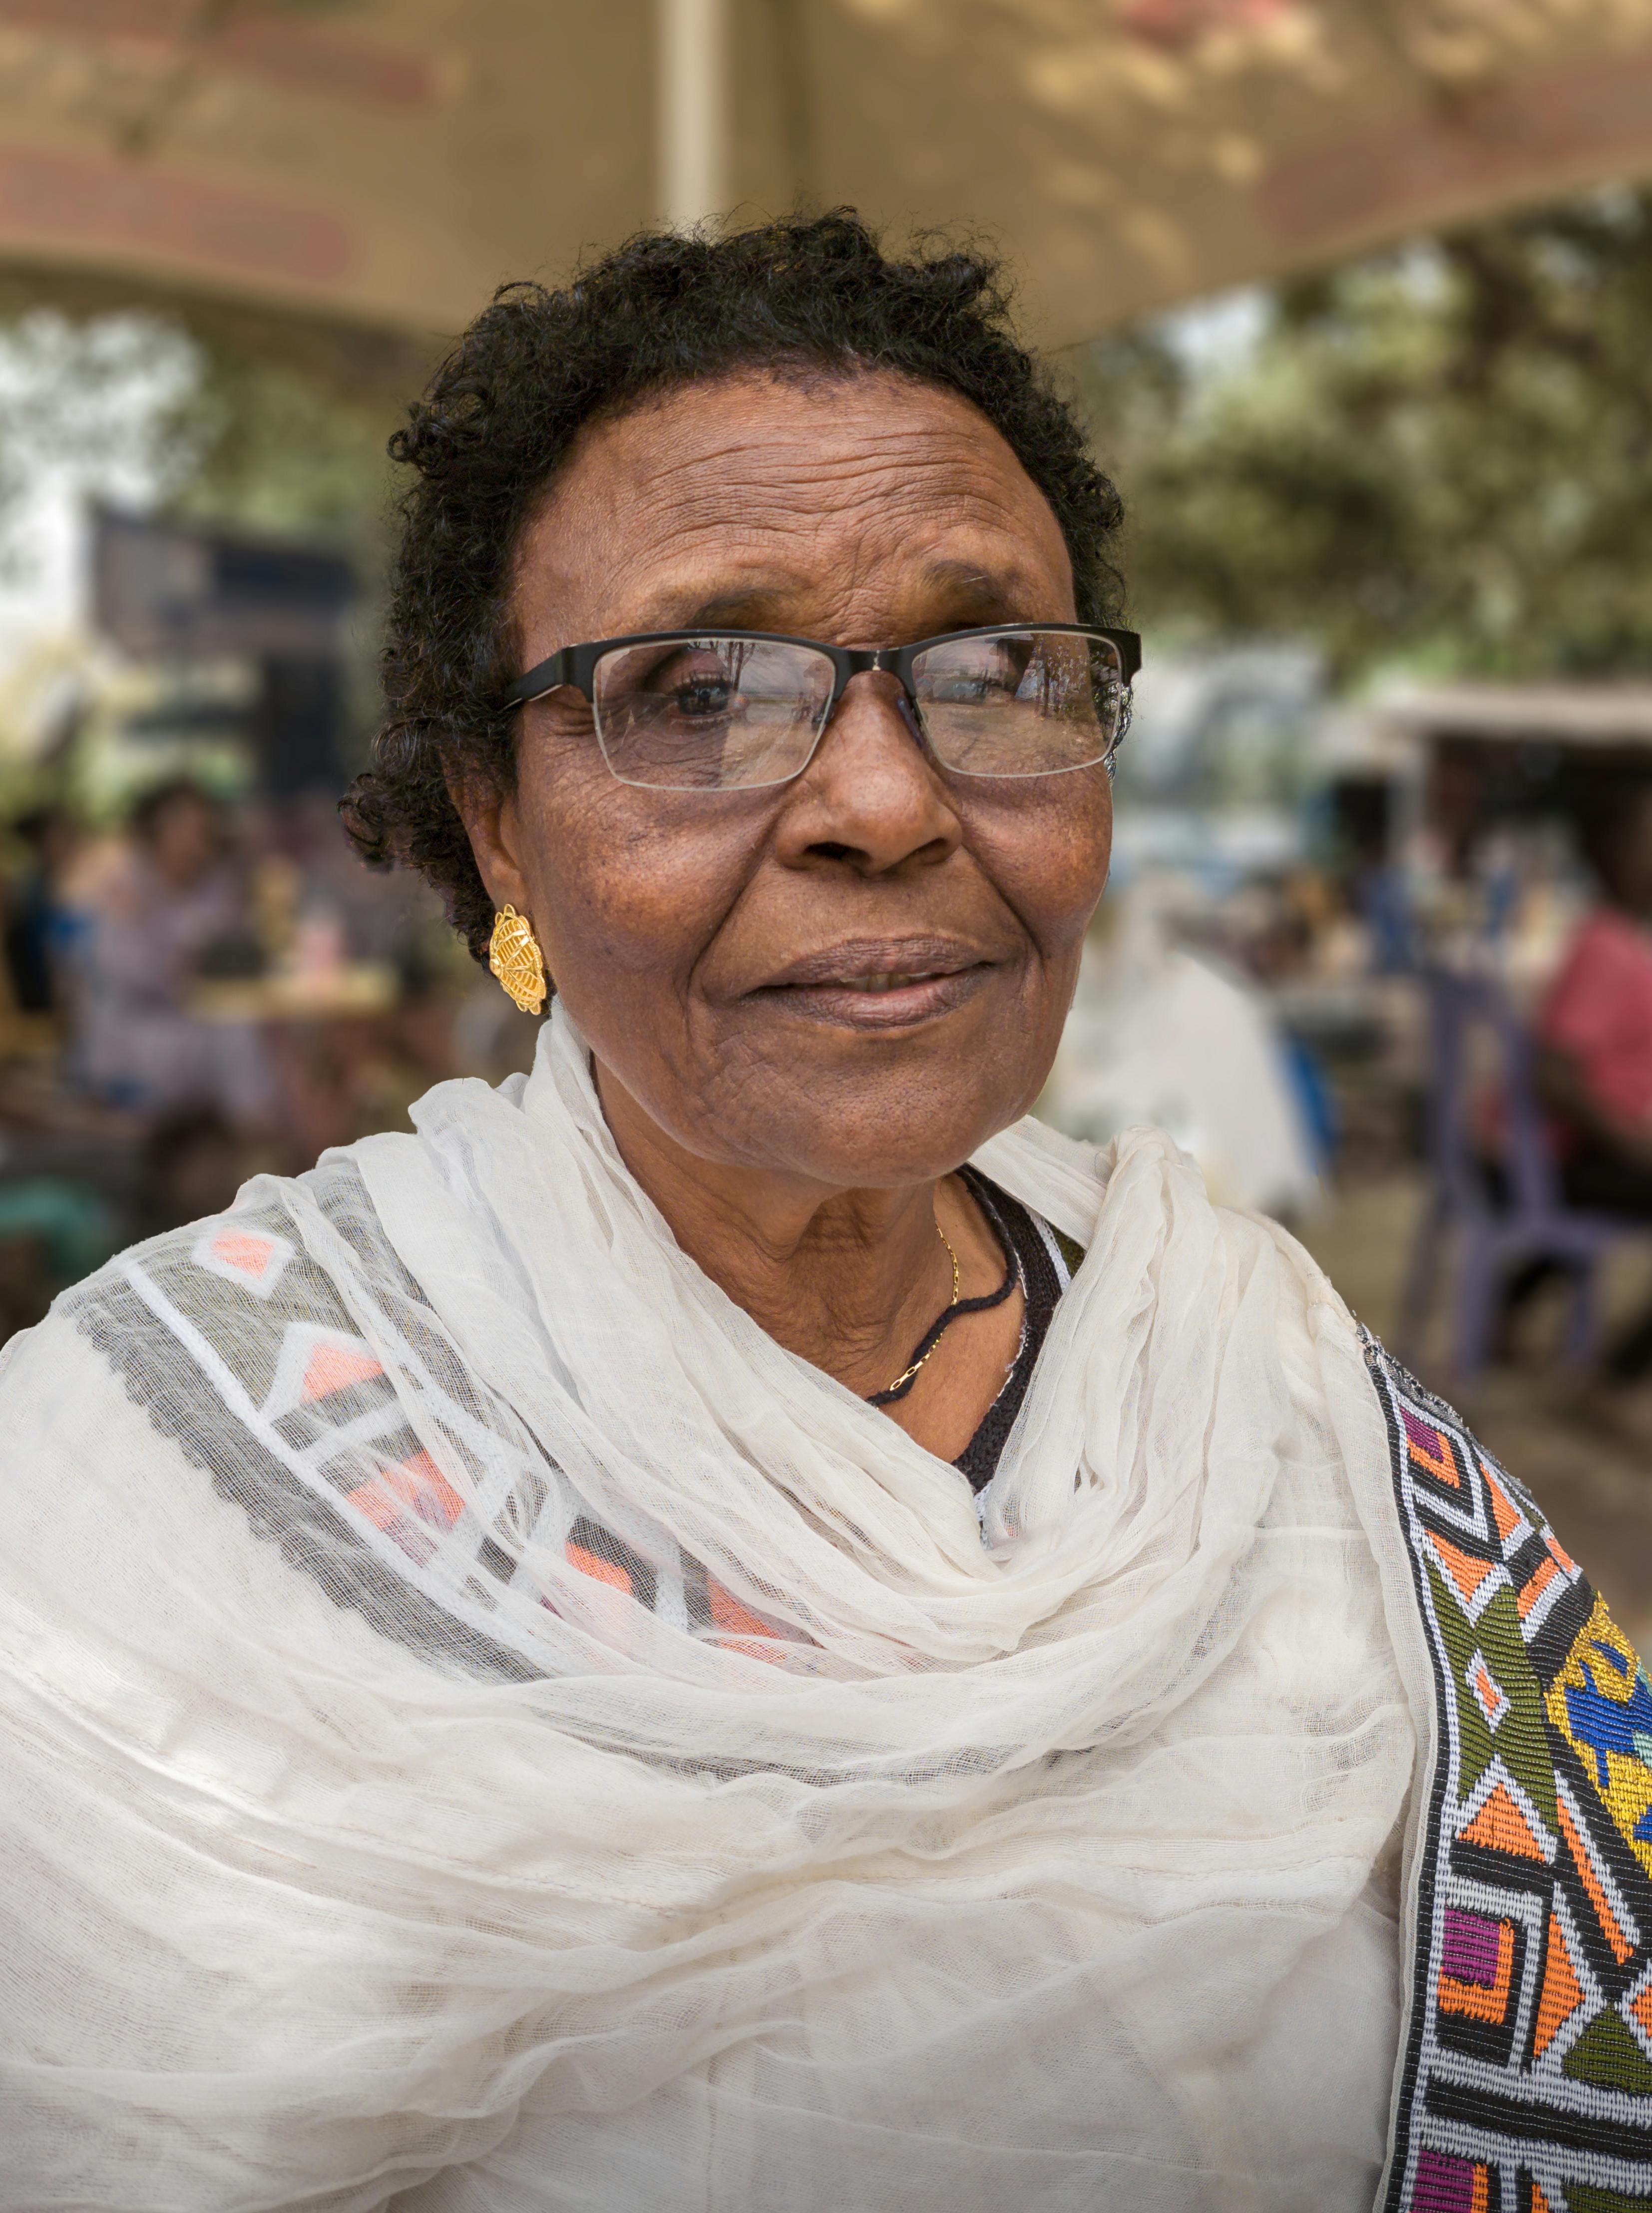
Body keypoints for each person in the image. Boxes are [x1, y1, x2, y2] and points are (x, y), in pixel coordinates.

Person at [1, 216, 1649, 2213]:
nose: (883, 798)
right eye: (694, 688)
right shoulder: (145, 1488)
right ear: (496, 822)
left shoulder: (1247, 1359)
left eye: (991, 671)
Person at [1528, 778, 1652, 1411]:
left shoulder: (1618, 940)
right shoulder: (1607, 946)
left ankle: (1505, 1310)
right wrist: (1634, 1143)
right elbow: (1556, 1075)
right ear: (1614, 852)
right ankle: (1615, 1379)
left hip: (1573, 1147)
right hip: (1567, 1151)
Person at [66, 778, 276, 1131]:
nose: (195, 842)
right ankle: (253, 1136)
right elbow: (132, 975)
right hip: (137, 1030)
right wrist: (190, 965)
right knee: (238, 1036)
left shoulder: (216, 888)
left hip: (202, 1018)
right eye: (184, 829)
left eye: (203, 830)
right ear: (154, 832)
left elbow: (239, 955)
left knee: (262, 1032)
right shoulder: (127, 889)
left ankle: (264, 1137)